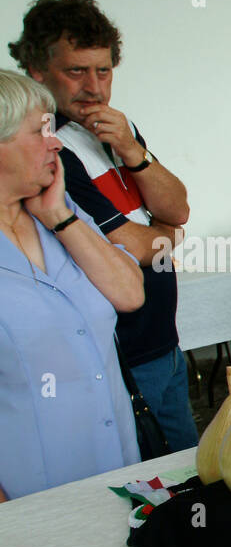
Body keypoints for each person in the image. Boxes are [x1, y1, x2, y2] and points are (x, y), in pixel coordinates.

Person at [10, 0, 196, 454]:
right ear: (37, 70)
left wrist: (135, 152)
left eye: (104, 70)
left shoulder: (112, 130)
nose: (94, 87)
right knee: (159, 485)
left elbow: (179, 208)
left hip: (164, 341)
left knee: (188, 467)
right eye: (76, 72)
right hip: (123, 353)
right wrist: (168, 236)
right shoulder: (48, 152)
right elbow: (138, 245)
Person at [0, 71, 146, 501]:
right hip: (30, 495)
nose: (57, 143)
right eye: (40, 132)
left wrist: (60, 219)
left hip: (115, 464)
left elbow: (130, 294)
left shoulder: (59, 212)